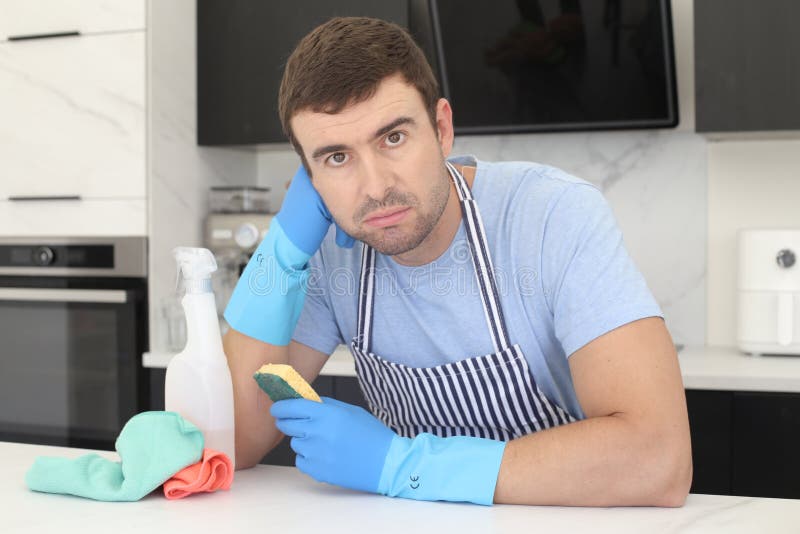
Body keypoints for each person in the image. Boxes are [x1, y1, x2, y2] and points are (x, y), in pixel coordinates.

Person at [222, 16, 692, 507]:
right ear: (309, 173)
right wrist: (282, 249)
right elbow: (234, 439)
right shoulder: (329, 251)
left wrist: (405, 465)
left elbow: (658, 458)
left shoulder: (551, 215)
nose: (376, 188)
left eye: (393, 138)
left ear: (442, 128)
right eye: (336, 158)